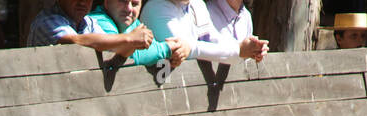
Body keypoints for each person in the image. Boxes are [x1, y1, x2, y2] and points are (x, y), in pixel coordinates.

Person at [140, 0, 269, 63]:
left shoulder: (197, 4)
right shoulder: (156, 7)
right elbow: (182, 50)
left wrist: (251, 49)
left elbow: (214, 40)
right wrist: (238, 51)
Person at [27, 0, 155, 60]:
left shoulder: (89, 22)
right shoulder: (48, 21)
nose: (82, 2)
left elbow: (116, 51)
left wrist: (133, 43)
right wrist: (129, 38)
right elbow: (75, 41)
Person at [90, 1, 192, 69]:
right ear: (107, 2)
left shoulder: (134, 23)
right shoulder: (97, 20)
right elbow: (130, 56)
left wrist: (182, 47)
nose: (129, 9)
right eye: (122, 1)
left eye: (134, 4)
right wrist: (168, 48)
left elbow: (151, 48)